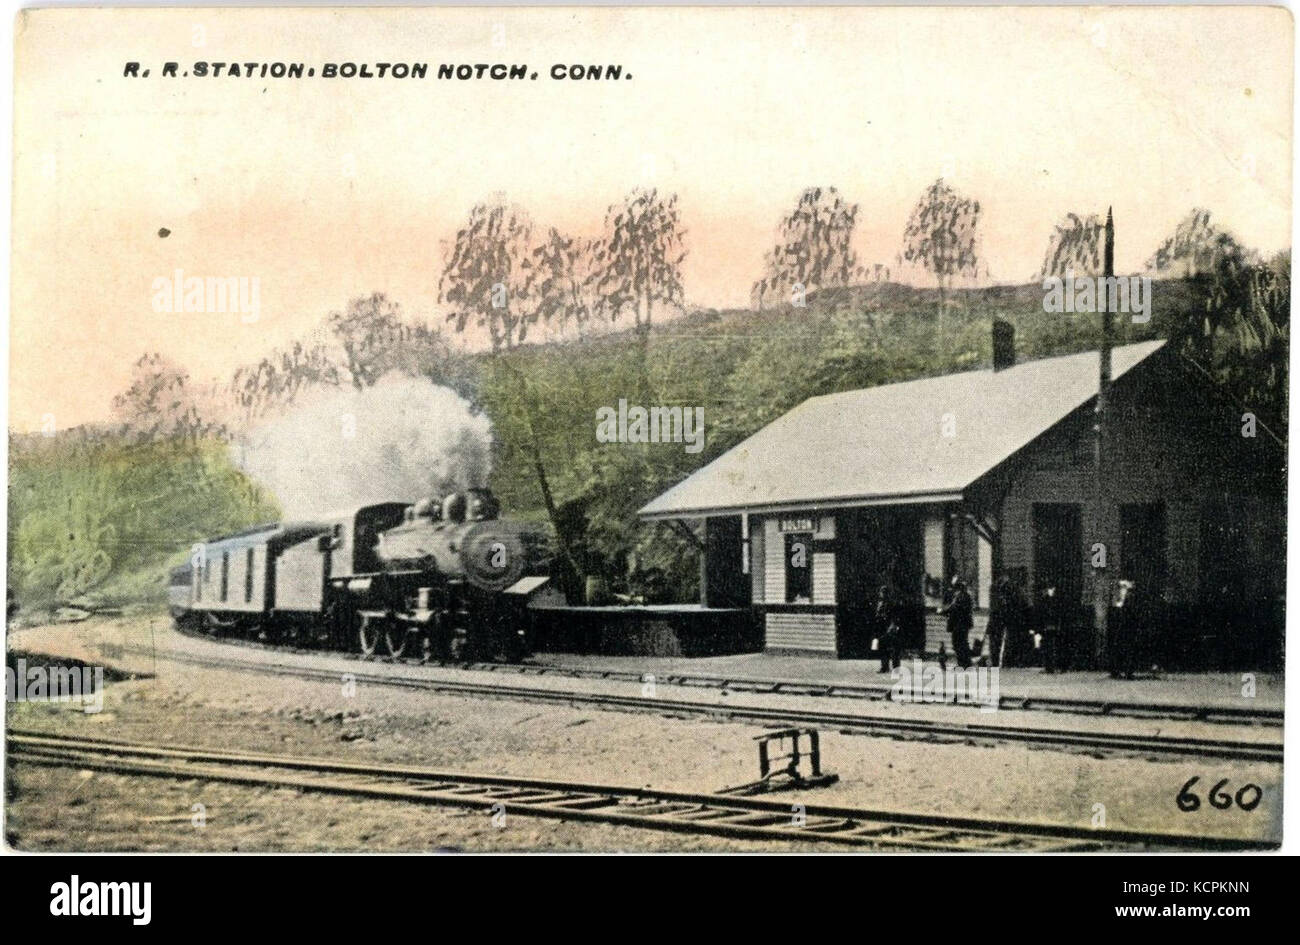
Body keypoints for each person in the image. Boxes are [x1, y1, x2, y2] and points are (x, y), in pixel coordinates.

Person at [1110, 579, 1145, 679]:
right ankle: (1120, 670)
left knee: (1125, 646)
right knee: (1122, 646)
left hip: (1127, 625)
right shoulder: (1122, 599)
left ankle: (1124, 670)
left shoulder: (1128, 599)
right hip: (1124, 625)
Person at [940, 575, 974, 669]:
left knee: (959, 644)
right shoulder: (963, 596)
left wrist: (943, 611)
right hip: (962, 624)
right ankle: (964, 663)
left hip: (959, 624)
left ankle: (964, 663)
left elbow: (954, 608)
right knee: (961, 643)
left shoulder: (961, 597)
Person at [874, 584, 901, 673]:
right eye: (882, 592)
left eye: (883, 593)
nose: (882, 594)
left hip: (890, 627)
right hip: (882, 627)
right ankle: (884, 666)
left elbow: (894, 616)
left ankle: (895, 667)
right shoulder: (880, 604)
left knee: (893, 648)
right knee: (883, 647)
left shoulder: (891, 603)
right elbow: (878, 615)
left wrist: (893, 625)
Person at [987, 574, 1013, 668]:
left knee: (994, 643)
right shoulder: (1002, 593)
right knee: (1001, 643)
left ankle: (995, 662)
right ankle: (1001, 662)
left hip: (995, 621)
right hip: (1001, 621)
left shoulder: (994, 592)